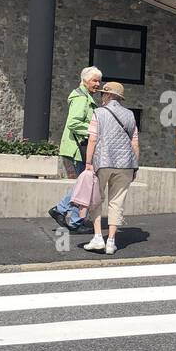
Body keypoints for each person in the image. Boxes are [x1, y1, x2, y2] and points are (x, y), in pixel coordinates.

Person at [81, 81, 139, 255]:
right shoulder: (130, 115)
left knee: (96, 199)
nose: (101, 97)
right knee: (117, 202)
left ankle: (98, 237)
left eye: (102, 94)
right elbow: (135, 142)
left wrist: (88, 163)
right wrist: (135, 166)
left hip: (103, 162)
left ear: (107, 95)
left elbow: (92, 139)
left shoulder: (98, 113)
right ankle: (111, 242)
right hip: (126, 165)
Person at [50, 67, 101, 231]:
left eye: (99, 80)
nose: (98, 84)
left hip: (79, 146)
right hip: (79, 147)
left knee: (83, 184)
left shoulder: (85, 97)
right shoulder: (81, 98)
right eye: (94, 80)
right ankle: (68, 215)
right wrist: (94, 129)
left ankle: (70, 217)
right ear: (85, 80)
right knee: (85, 185)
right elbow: (73, 123)